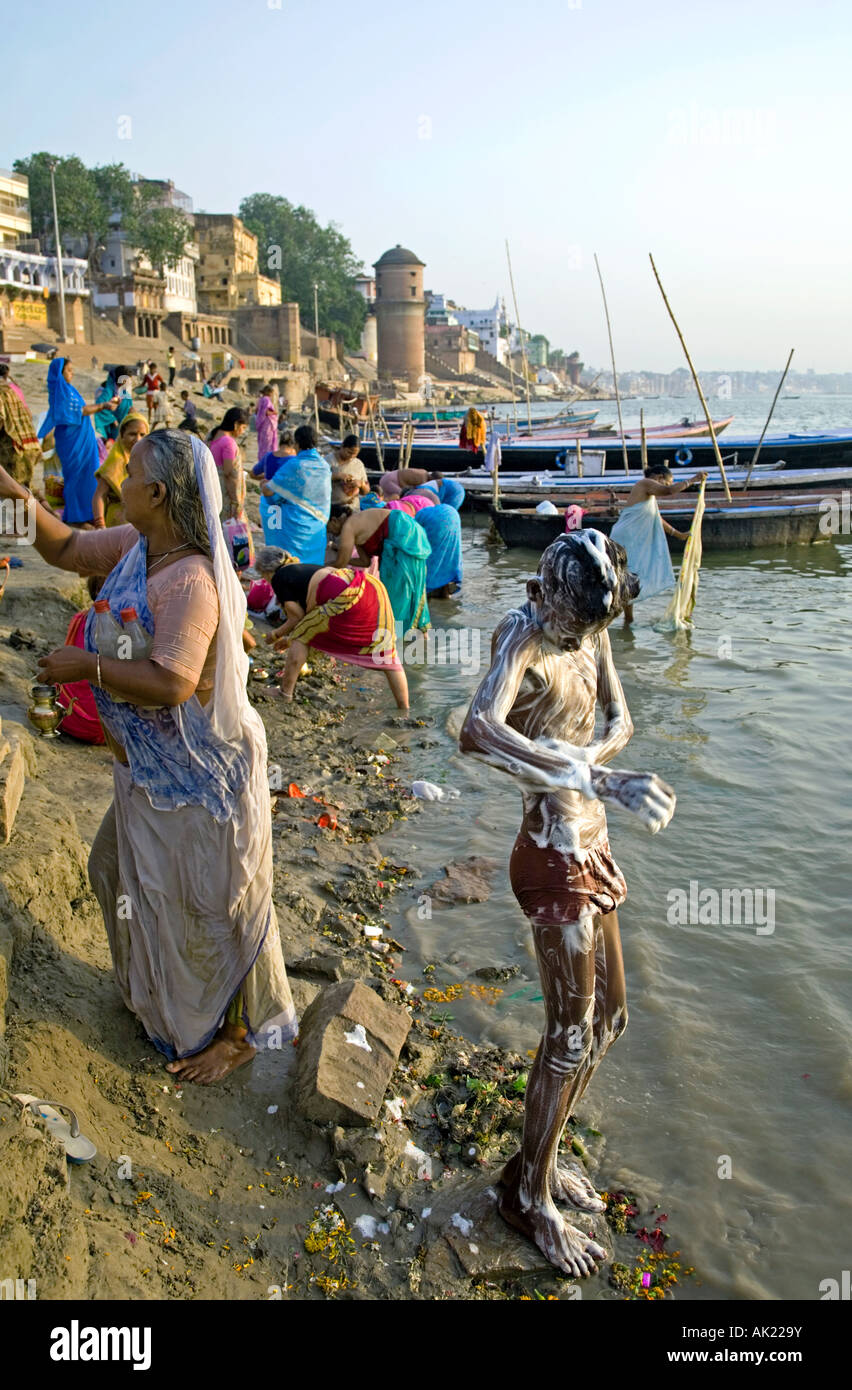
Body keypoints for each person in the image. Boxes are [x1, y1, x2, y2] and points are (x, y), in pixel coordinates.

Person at [0, 432, 297, 1081]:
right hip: (150, 770)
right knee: (115, 871)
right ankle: (158, 997)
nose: (119, 481)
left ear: (157, 494)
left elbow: (173, 682)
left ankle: (240, 1035)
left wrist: (86, 666)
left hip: (206, 777)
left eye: (129, 474)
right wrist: (11, 495)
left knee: (229, 904)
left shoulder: (189, 578)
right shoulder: (140, 547)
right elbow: (64, 547)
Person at [459, 530, 676, 1275]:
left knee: (612, 1018)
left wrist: (595, 767)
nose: (576, 637)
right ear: (543, 590)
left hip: (593, 843)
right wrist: (593, 779)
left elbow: (621, 722)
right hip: (549, 856)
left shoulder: (587, 632)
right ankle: (530, 1201)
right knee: (568, 1036)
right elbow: (476, 730)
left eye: (589, 628)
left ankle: (534, 1168)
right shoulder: (524, 632)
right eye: (568, 620)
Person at [262, 552, 409, 708]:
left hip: (344, 593)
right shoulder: (302, 568)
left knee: (301, 635)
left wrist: (276, 634)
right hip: (373, 586)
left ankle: (285, 693)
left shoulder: (279, 577)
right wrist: (288, 639)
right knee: (388, 655)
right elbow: (310, 617)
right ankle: (404, 708)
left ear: (266, 573)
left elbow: (298, 618)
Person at [610, 464, 707, 625]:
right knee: (626, 579)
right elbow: (669, 491)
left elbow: (657, 519)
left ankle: (628, 621)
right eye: (667, 482)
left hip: (632, 538)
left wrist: (678, 535)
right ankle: (623, 620)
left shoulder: (649, 495)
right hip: (626, 538)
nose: (667, 486)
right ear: (658, 477)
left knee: (629, 579)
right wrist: (693, 480)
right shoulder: (645, 484)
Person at [328, 502, 430, 633]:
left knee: (397, 596)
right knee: (412, 592)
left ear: (334, 520)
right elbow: (365, 562)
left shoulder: (348, 527)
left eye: (328, 528)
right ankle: (415, 638)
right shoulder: (356, 525)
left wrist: (321, 566)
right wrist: (337, 562)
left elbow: (340, 564)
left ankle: (396, 638)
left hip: (403, 535)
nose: (330, 532)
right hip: (409, 532)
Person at [38, 358, 112, 525]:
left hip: (82, 440)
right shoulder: (61, 392)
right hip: (72, 442)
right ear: (60, 372)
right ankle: (76, 516)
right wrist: (103, 406)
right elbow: (81, 411)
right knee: (76, 477)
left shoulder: (69, 390)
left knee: (88, 476)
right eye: (69, 370)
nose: (72, 373)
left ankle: (88, 513)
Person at [258, 423, 330, 562]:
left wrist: (264, 485)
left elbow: (269, 491)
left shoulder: (295, 465)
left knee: (291, 565)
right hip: (317, 528)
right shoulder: (324, 466)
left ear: (296, 444)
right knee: (311, 570)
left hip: (294, 530)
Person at [92, 412, 150, 528]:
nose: (138, 439)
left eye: (142, 435)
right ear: (122, 435)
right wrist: (100, 524)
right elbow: (99, 495)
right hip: (118, 521)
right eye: (132, 434)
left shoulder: (148, 461)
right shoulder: (114, 463)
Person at [404, 482, 462, 598]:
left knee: (430, 556)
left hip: (430, 517)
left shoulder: (407, 501)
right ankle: (446, 591)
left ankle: (427, 592)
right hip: (451, 514)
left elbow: (412, 536)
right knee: (448, 553)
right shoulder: (422, 491)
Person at [0, 368, 42, 486]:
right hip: (27, 444)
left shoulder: (2, 391)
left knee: (15, 492)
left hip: (12, 448)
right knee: (26, 490)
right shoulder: (10, 389)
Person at [208, 407, 249, 520]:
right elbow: (228, 473)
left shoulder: (213, 436)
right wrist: (236, 502)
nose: (243, 432)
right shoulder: (228, 443)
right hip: (224, 493)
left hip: (211, 489)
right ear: (236, 424)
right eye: (243, 427)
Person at [93, 365, 133, 448]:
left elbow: (129, 405)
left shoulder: (124, 391)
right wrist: (112, 419)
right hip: (110, 425)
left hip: (122, 423)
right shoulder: (105, 391)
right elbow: (99, 406)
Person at [328, 434, 369, 508]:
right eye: (349, 452)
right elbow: (318, 481)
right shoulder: (328, 461)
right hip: (332, 508)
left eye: (355, 454)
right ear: (342, 447)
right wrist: (336, 476)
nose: (351, 456)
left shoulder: (358, 464)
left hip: (353, 509)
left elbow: (366, 491)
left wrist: (361, 484)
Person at [254, 384, 278, 463]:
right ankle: (267, 461)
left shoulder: (260, 400)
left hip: (262, 424)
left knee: (262, 445)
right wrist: (275, 412)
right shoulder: (266, 400)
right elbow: (266, 412)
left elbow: (257, 411)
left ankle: (262, 461)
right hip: (267, 425)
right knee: (268, 444)